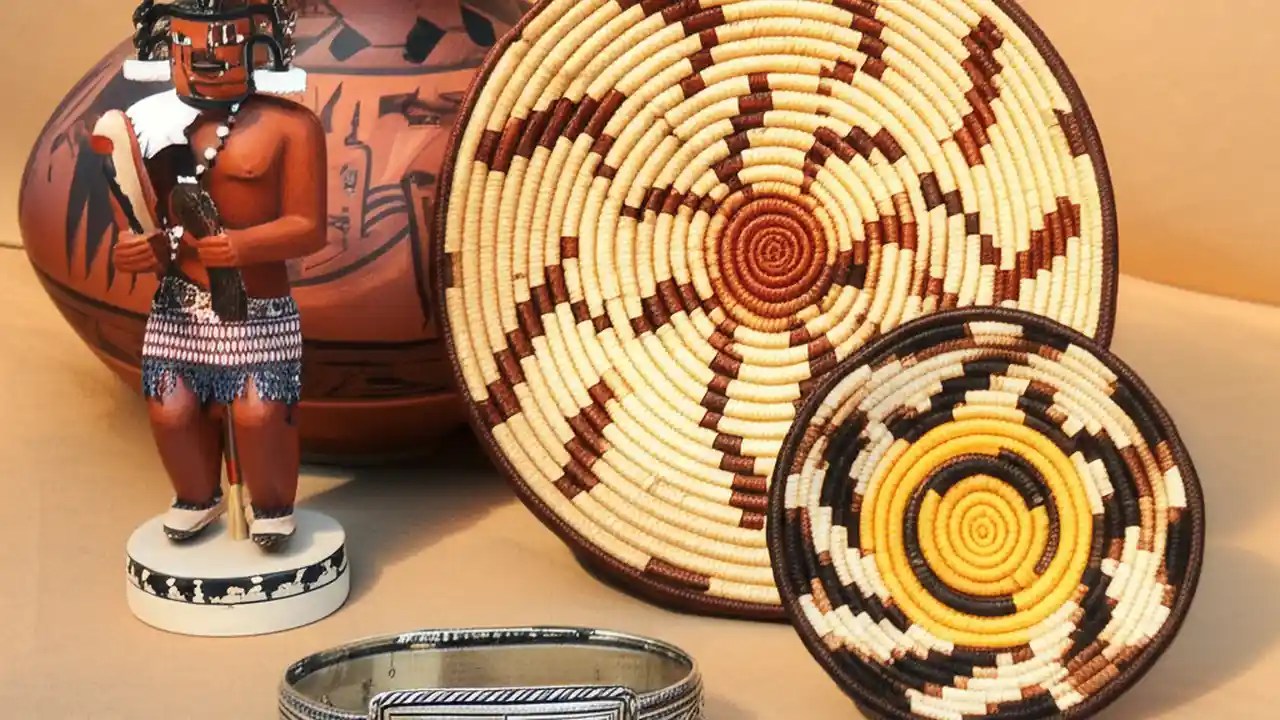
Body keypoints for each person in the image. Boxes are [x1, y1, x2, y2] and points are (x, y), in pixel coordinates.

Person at [108, 0, 325, 550]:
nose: (207, 55)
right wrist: (134, 249)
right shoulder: (146, 125)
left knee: (258, 415)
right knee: (171, 408)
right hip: (180, 302)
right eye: (190, 42)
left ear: (257, 47)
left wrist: (245, 245)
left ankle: (272, 507)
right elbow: (139, 217)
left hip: (258, 305)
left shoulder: (291, 127)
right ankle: (196, 496)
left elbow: (308, 227)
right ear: (167, 46)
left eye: (225, 40)